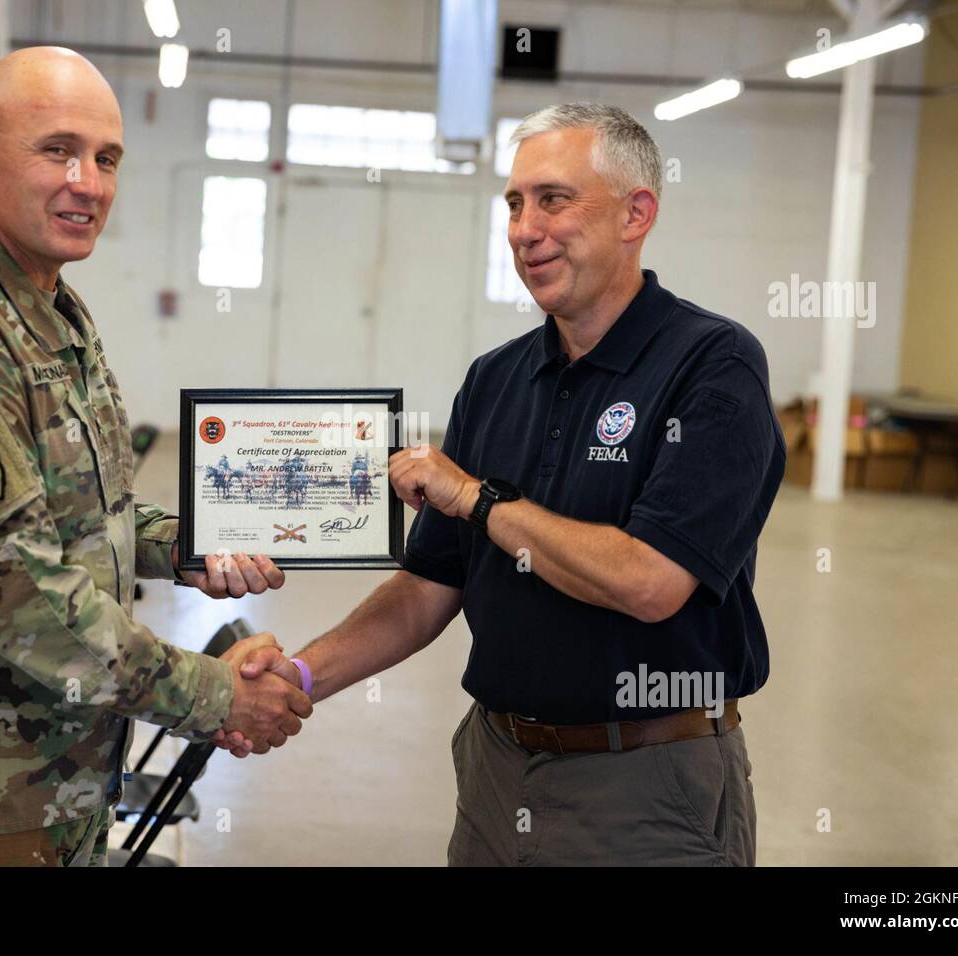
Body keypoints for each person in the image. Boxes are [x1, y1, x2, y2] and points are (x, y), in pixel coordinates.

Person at [225, 103, 786, 866]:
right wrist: (294, 678)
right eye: (515, 204)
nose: (525, 229)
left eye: (553, 199)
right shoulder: (496, 380)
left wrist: (479, 499)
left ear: (636, 213)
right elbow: (429, 587)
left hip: (647, 786)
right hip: (495, 770)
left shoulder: (711, 366)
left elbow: (652, 581)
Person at [0, 47, 308, 867]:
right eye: (57, 149)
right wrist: (214, 693)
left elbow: (82, 513)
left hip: (56, 783)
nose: (88, 182)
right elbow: (18, 589)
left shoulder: (50, 309)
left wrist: (185, 543)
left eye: (107, 158)